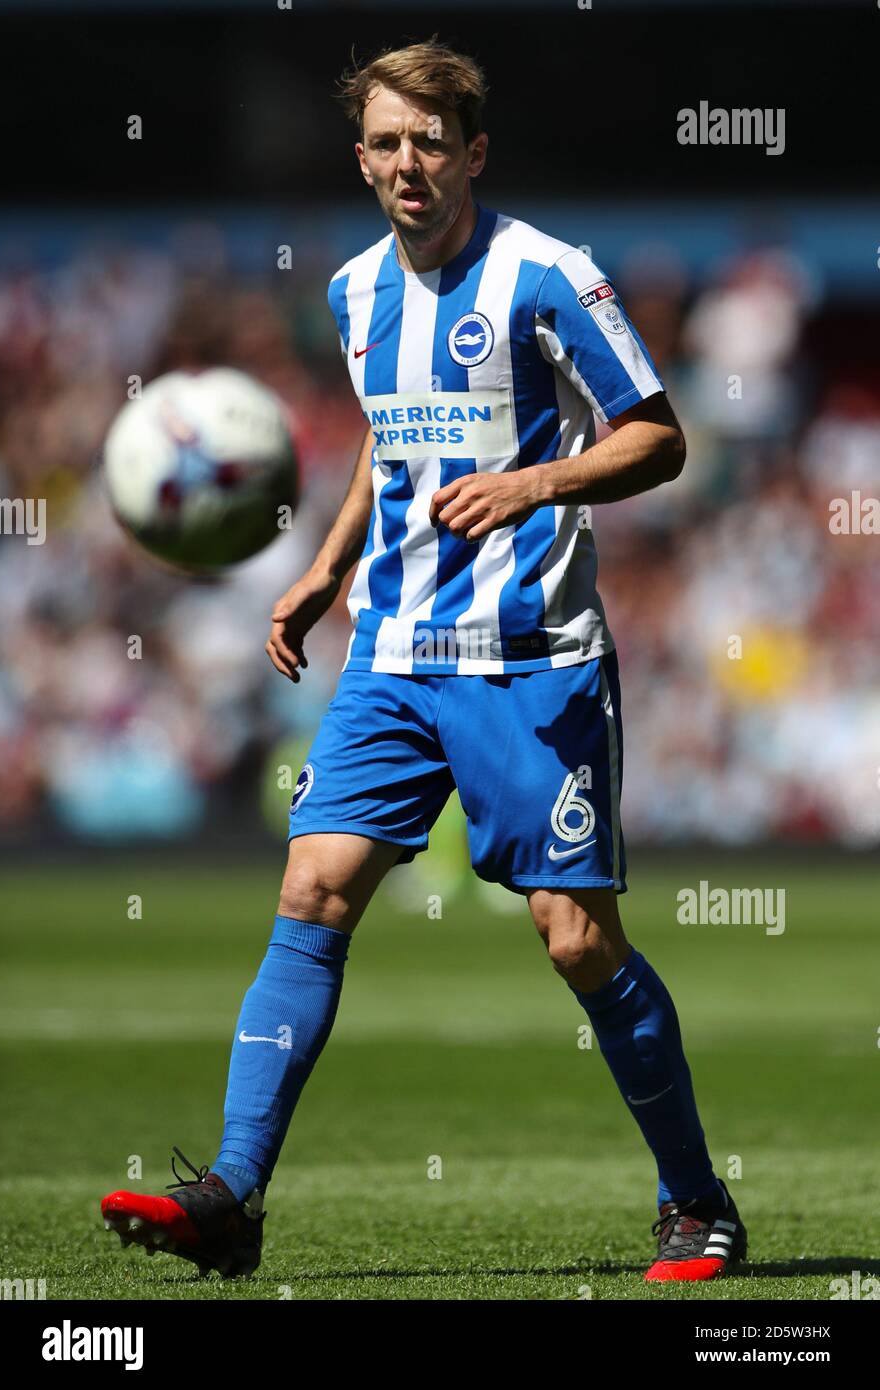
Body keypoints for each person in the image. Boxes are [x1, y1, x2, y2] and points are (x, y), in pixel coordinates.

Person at [102, 37, 746, 1284]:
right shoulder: (352, 294)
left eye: (432, 141)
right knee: (314, 888)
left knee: (572, 937)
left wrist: (536, 481)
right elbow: (386, 447)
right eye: (388, 143)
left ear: (473, 152)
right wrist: (331, 565)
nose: (410, 163)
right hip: (393, 657)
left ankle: (696, 1201)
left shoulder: (549, 276)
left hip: (532, 659)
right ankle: (232, 1192)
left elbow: (658, 439)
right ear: (363, 159)